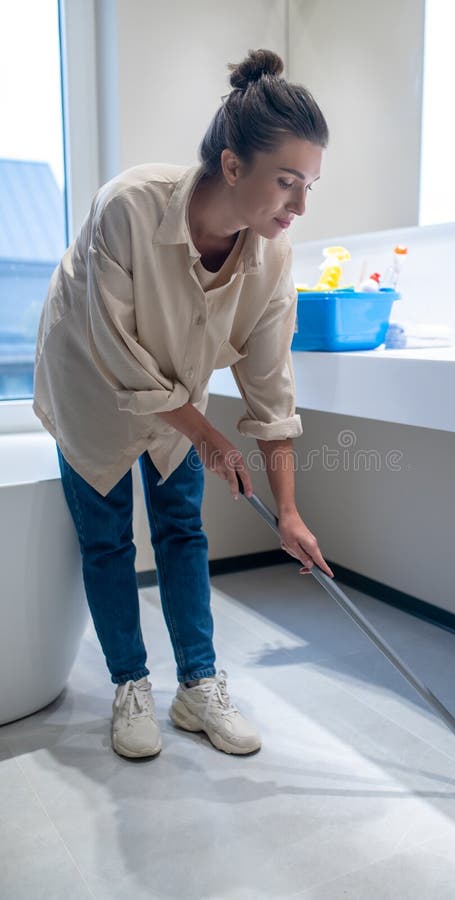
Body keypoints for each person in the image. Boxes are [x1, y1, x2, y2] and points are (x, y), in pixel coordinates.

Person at [33, 48, 334, 760]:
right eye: (286, 182)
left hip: (177, 407)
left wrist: (287, 512)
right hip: (90, 390)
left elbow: (270, 391)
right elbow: (109, 350)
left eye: (310, 185)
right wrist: (207, 434)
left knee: (182, 533)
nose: (299, 206)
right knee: (107, 540)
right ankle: (129, 685)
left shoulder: (273, 256)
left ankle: (198, 687)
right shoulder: (129, 206)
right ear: (233, 166)